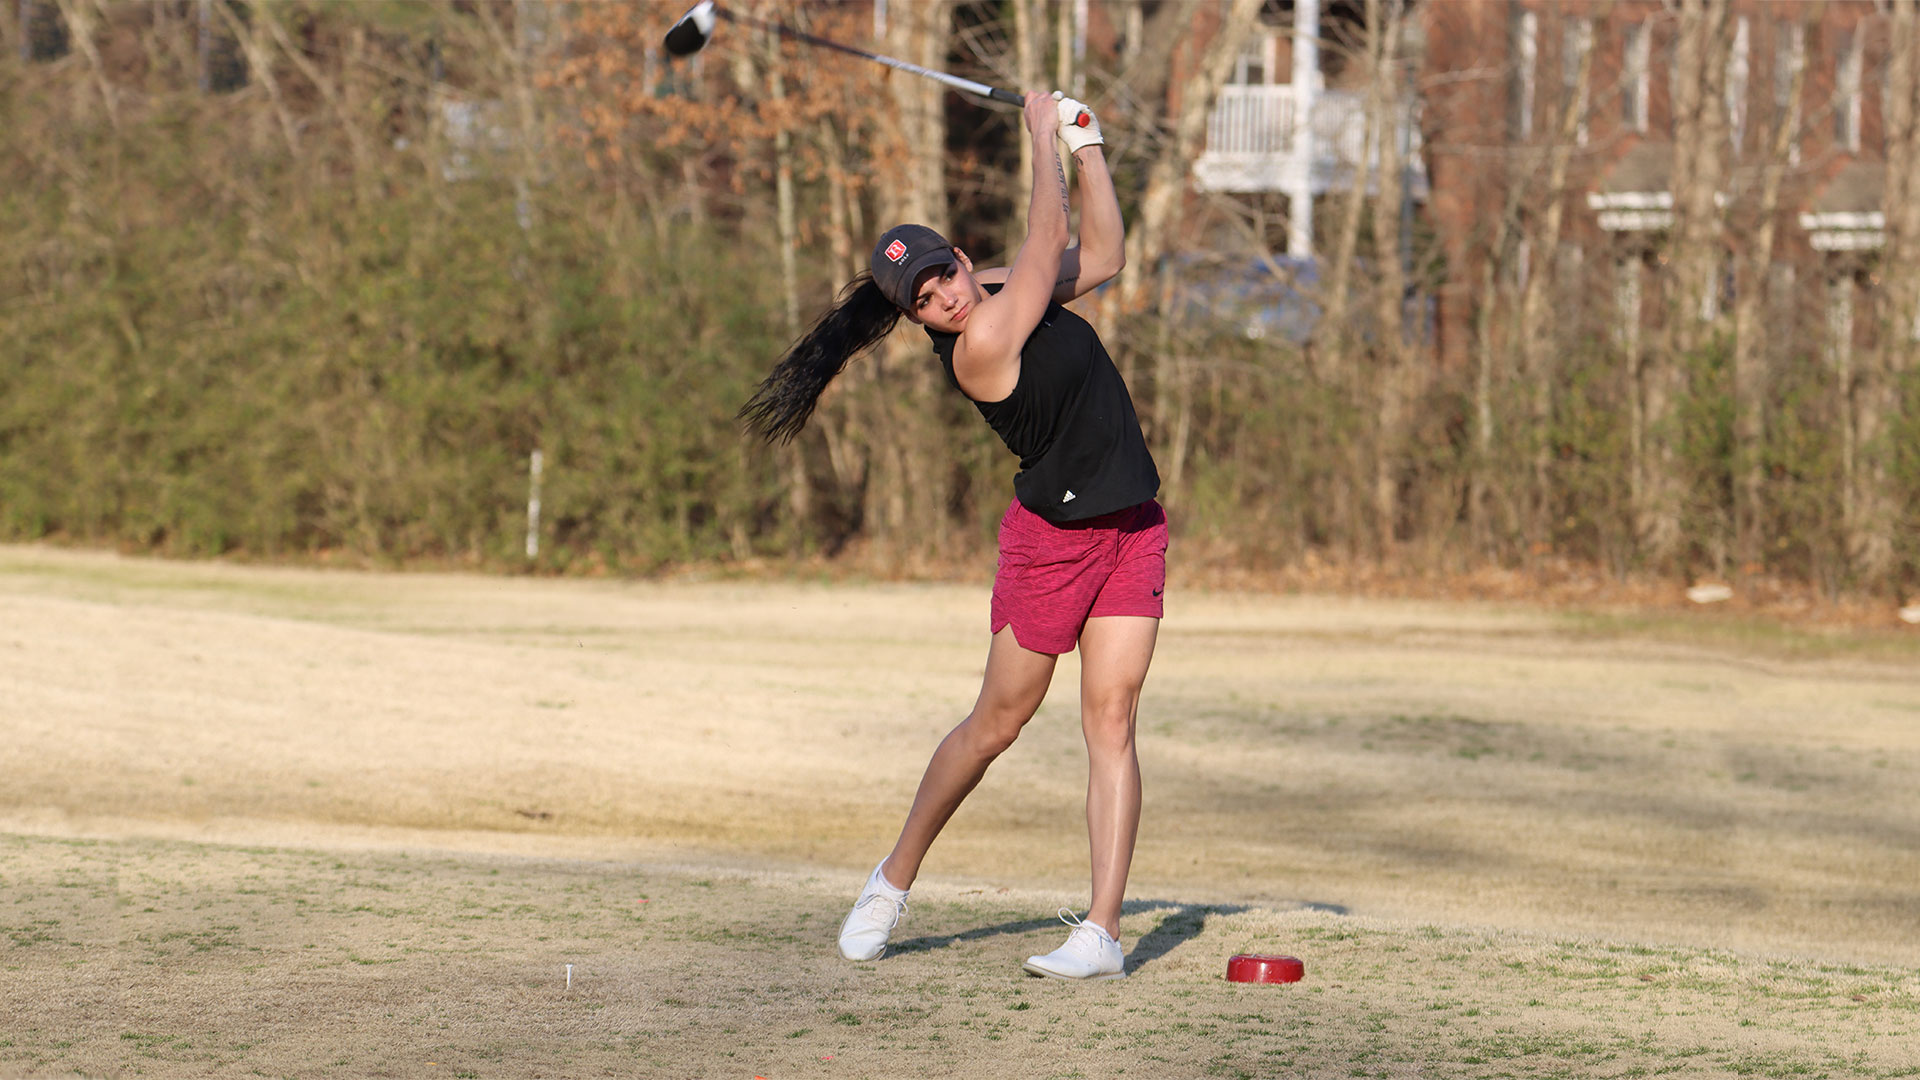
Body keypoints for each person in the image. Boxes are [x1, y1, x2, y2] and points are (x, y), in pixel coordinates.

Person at [739, 90, 1163, 982]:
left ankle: (1102, 932)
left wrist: (1086, 145)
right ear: (917, 318)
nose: (945, 300)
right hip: (1052, 544)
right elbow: (1049, 238)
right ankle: (891, 881)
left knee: (1113, 719)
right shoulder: (979, 349)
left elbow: (1106, 254)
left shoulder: (1002, 290)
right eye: (925, 301)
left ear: (963, 260)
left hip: (1132, 525)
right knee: (997, 725)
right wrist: (1040, 134)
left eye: (945, 277)